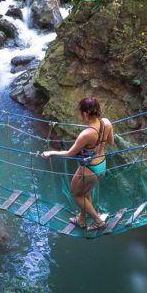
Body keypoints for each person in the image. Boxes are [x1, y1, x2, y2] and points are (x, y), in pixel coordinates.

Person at [41, 97, 114, 231]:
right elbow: (111, 142)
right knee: (85, 192)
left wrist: (50, 152)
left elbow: (70, 153)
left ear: (85, 114)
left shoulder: (86, 134)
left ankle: (98, 221)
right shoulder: (106, 123)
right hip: (102, 164)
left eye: (81, 114)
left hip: (89, 168)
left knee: (76, 194)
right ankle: (81, 219)